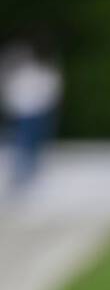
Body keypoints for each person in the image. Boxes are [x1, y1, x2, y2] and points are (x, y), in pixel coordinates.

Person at [0, 39, 64, 188]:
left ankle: (27, 172)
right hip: (25, 113)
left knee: (31, 143)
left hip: (35, 112)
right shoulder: (21, 73)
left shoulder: (39, 71)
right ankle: (22, 173)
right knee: (23, 142)